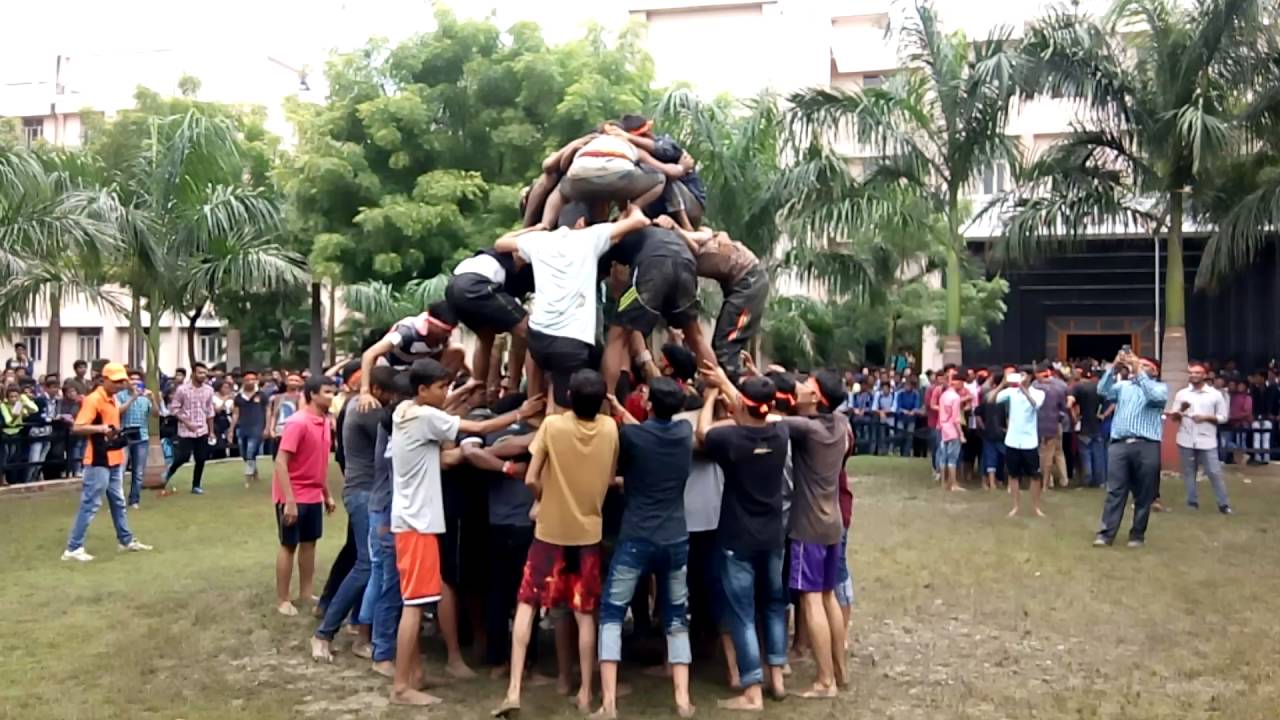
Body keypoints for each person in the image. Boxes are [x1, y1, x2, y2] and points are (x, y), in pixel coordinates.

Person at [390, 359, 542, 707]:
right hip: (418, 524)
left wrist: (461, 391)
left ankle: (414, 675)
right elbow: (482, 424)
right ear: (422, 390)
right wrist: (520, 414)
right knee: (413, 605)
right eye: (440, 388)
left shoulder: (405, 410)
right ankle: (401, 686)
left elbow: (445, 457)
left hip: (413, 522)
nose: (445, 393)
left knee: (419, 598)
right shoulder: (427, 417)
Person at [494, 369, 617, 718]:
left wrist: (541, 500)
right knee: (584, 613)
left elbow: (531, 477)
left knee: (527, 604)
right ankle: (585, 692)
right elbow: (608, 478)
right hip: (588, 534)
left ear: (568, 399)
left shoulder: (552, 427)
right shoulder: (610, 429)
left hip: (549, 532)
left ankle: (514, 690)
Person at [597, 377, 696, 719]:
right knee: (676, 617)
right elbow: (647, 432)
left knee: (611, 613)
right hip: (675, 539)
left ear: (650, 404)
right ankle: (682, 699)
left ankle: (609, 703)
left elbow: (636, 436)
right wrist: (622, 408)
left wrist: (616, 408)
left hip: (636, 537)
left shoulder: (631, 437)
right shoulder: (684, 433)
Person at [494, 203, 649, 413]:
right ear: (581, 223)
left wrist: (534, 229)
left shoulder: (539, 240)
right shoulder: (588, 236)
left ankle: (537, 418)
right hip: (569, 344)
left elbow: (500, 243)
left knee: (552, 393)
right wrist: (632, 207)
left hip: (538, 340)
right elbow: (640, 221)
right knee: (563, 409)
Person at [697, 373, 790, 710]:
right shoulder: (780, 433)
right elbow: (771, 414)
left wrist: (711, 396)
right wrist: (730, 388)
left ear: (740, 406)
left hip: (738, 537)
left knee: (743, 613)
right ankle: (777, 677)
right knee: (774, 605)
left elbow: (702, 433)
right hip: (773, 536)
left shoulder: (730, 440)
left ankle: (752, 689)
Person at [310, 367, 399, 662]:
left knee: (371, 564)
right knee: (365, 564)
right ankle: (323, 633)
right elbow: (398, 432)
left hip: (366, 492)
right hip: (363, 493)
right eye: (392, 395)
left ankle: (358, 627)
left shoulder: (358, 403)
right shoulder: (366, 409)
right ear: (379, 392)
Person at [777, 368, 849, 698]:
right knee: (828, 595)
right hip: (833, 523)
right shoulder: (840, 425)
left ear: (818, 397)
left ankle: (824, 681)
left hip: (809, 526)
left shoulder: (807, 430)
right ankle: (839, 670)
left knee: (810, 600)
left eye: (809, 384)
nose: (803, 385)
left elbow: (764, 418)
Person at [600, 223, 715, 399]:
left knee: (617, 336)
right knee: (696, 337)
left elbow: (600, 273)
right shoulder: (655, 231)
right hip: (686, 262)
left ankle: (607, 404)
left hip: (652, 266)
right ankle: (719, 400)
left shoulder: (617, 236)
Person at [61, 362, 153, 562]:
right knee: (91, 502)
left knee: (118, 502)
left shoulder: (111, 399)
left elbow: (114, 417)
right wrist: (101, 429)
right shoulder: (94, 399)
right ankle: (73, 547)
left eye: (122, 381)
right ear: (105, 380)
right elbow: (78, 427)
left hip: (114, 457)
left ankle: (125, 540)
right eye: (117, 381)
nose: (120, 384)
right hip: (97, 459)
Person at [444, 230, 539, 402]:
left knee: (486, 338)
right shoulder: (509, 250)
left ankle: (478, 391)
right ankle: (523, 392)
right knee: (529, 331)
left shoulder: (501, 267)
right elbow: (509, 242)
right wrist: (539, 227)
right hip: (475, 284)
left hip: (454, 287)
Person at [272, 376, 338, 617]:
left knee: (309, 544)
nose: (332, 396)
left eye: (334, 392)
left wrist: (327, 494)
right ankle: (282, 599)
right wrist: (289, 501)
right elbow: (281, 461)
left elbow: (319, 464)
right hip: (293, 494)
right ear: (312, 394)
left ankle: (306, 592)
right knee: (289, 545)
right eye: (327, 392)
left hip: (312, 495)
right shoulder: (297, 423)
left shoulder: (325, 422)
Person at [1093, 352, 1168, 548]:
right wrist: (1114, 369)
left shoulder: (1159, 388)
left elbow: (1155, 397)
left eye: (1145, 365)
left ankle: (1137, 535)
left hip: (1147, 445)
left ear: (1155, 370)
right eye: (1138, 364)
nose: (1139, 367)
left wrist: (1139, 371)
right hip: (1119, 444)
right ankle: (1106, 534)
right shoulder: (1123, 386)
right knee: (1115, 490)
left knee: (1144, 493)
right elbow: (1102, 391)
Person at [355, 302, 467, 412]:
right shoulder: (406, 332)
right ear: (432, 324)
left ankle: (441, 394)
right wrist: (365, 392)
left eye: (449, 332)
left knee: (457, 350)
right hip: (393, 372)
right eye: (445, 331)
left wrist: (472, 376)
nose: (448, 335)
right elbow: (369, 354)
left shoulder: (442, 338)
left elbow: (456, 356)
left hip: (415, 371)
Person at [611, 114, 707, 230]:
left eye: (645, 134)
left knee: (661, 177)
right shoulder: (634, 154)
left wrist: (629, 137)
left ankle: (685, 224)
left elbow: (665, 154)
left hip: (690, 205)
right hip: (659, 207)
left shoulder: (665, 142)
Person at [1170, 364, 1232, 514]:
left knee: (1214, 472)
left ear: (1205, 375)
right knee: (1189, 472)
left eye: (1197, 372)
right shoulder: (1182, 394)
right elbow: (1174, 417)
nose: (1194, 375)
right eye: (1191, 373)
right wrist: (1181, 411)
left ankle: (1223, 504)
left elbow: (1223, 418)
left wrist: (1205, 418)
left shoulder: (1215, 394)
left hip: (1207, 439)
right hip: (1186, 438)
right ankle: (1192, 503)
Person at [995, 367, 1046, 517]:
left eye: (1024, 375)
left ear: (1030, 377)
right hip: (1012, 440)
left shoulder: (1039, 393)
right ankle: (1015, 506)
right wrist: (1003, 383)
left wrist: (1024, 389)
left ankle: (1036, 507)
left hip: (1029, 441)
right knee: (1013, 475)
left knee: (1035, 476)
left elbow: (1035, 405)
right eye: (1020, 375)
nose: (1021, 377)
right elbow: (995, 399)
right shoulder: (1011, 392)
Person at [166, 362, 215, 494]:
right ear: (193, 373)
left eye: (205, 373)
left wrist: (212, 432)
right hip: (186, 430)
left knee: (201, 458)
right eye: (200, 373)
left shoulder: (209, 390)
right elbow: (174, 409)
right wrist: (187, 422)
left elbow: (210, 411)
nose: (203, 375)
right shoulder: (182, 390)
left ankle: (196, 485)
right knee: (183, 456)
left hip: (202, 429)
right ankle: (170, 471)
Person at [117, 370, 157, 508]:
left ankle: (134, 499)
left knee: (138, 472)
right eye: (131, 379)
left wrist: (153, 399)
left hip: (142, 437)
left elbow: (156, 414)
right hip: (123, 436)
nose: (134, 382)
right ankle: (119, 501)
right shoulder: (120, 396)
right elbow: (118, 411)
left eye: (137, 379)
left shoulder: (145, 397)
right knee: (120, 471)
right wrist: (132, 398)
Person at [1034, 366, 1070, 489]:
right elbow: (1064, 408)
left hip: (1039, 424)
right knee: (1059, 452)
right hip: (1056, 423)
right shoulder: (1061, 386)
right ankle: (1064, 479)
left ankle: (1048, 480)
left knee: (1043, 453)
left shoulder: (1034, 387)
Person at [230, 370, 269, 484]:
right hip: (242, 427)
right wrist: (231, 429)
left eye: (253, 379)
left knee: (250, 451)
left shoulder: (262, 395)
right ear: (243, 381)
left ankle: (248, 475)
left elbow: (267, 411)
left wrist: (267, 427)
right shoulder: (239, 397)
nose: (250, 382)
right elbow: (235, 413)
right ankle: (254, 471)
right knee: (243, 453)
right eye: (248, 380)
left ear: (256, 381)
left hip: (257, 427)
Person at [1071, 367, 1105, 487]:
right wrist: (1103, 415)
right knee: (1098, 455)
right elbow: (1112, 403)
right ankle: (1099, 480)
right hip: (1096, 425)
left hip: (1084, 425)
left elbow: (1069, 403)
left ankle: (1087, 480)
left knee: (1085, 455)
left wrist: (1075, 417)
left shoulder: (1078, 388)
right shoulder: (1100, 389)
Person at [937, 373, 968, 492]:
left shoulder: (943, 395)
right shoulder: (955, 397)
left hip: (943, 429)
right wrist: (961, 434)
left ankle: (944, 482)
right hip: (952, 430)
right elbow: (956, 418)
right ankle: (953, 484)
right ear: (958, 383)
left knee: (943, 456)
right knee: (952, 458)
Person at [978, 370, 1007, 490]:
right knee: (992, 457)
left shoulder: (1003, 396)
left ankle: (994, 481)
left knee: (993, 457)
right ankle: (991, 482)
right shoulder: (992, 396)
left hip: (995, 432)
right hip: (995, 432)